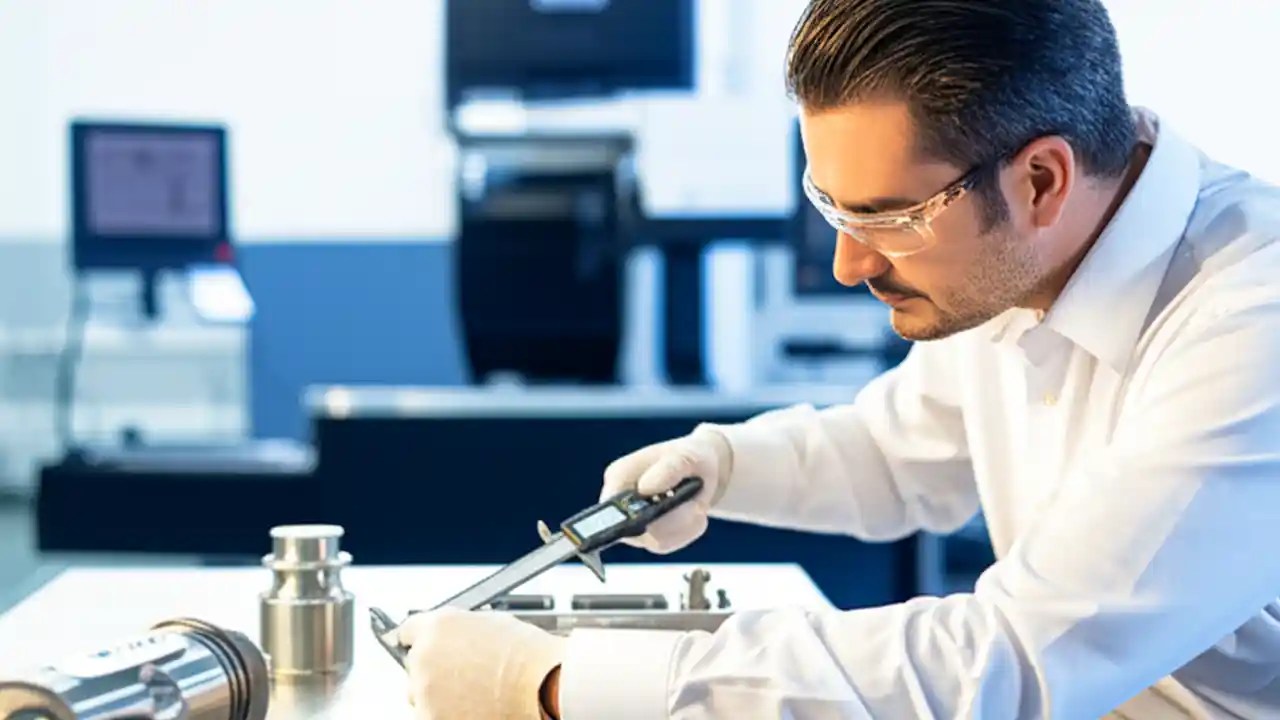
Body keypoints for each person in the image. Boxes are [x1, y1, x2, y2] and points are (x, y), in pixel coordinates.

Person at [396, 0, 1280, 716]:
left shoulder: (1251, 318)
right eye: (834, 209)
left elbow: (1007, 662)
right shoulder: (1023, 263)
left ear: (1041, 180)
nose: (849, 265)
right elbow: (902, 455)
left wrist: (562, 687)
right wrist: (724, 465)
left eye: (886, 221)